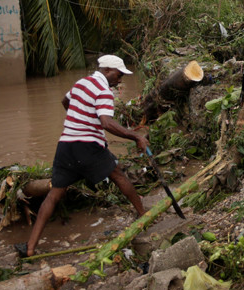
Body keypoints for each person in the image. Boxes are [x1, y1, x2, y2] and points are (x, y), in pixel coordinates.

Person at [20, 55, 149, 258]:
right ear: (107, 70)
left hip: (66, 145)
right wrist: (136, 137)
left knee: (54, 194)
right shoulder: (104, 91)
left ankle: (30, 247)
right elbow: (106, 123)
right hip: (87, 145)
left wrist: (78, 120)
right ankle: (144, 214)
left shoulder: (81, 83)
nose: (120, 79)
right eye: (119, 74)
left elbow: (65, 101)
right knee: (119, 176)